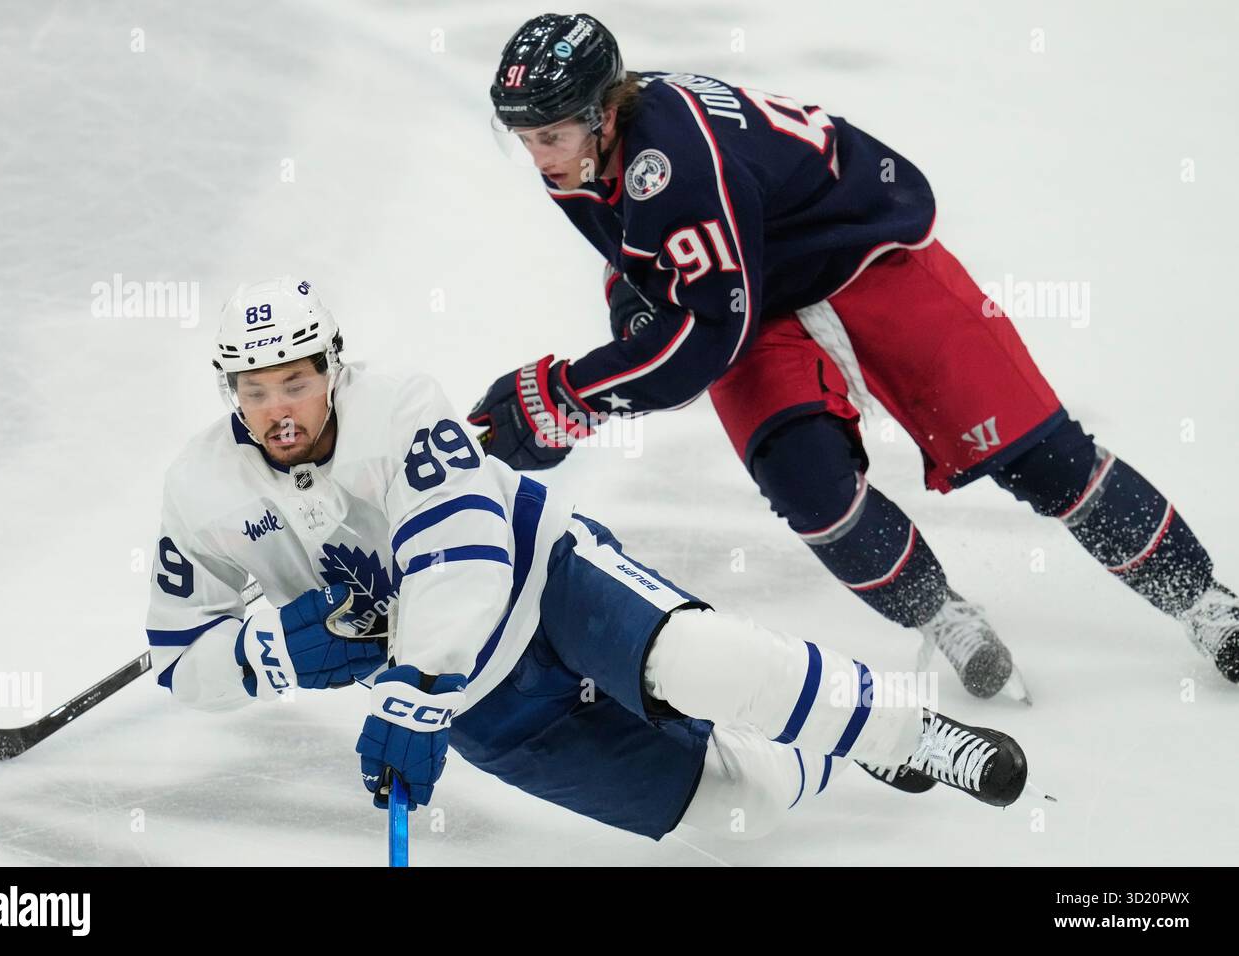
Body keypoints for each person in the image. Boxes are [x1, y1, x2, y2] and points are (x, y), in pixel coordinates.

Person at [472, 13, 1239, 695]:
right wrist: (617, 334)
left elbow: (708, 335)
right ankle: (942, 616)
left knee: (1041, 456)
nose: (541, 157)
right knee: (810, 490)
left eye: (552, 137)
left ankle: (1207, 603)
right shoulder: (585, 155)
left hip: (866, 258)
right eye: (528, 139)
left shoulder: (669, 163)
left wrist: (572, 392)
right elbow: (645, 264)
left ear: (606, 115)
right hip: (756, 288)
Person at [144, 276, 1030, 843]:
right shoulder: (200, 489)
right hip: (476, 703)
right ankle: (838, 750)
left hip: (548, 580)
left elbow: (465, 553)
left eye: (296, 380)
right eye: (254, 391)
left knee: (705, 663)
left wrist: (412, 692)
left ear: (334, 367)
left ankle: (914, 735)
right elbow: (178, 662)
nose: (279, 409)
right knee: (732, 813)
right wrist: (267, 655)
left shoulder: (400, 405)